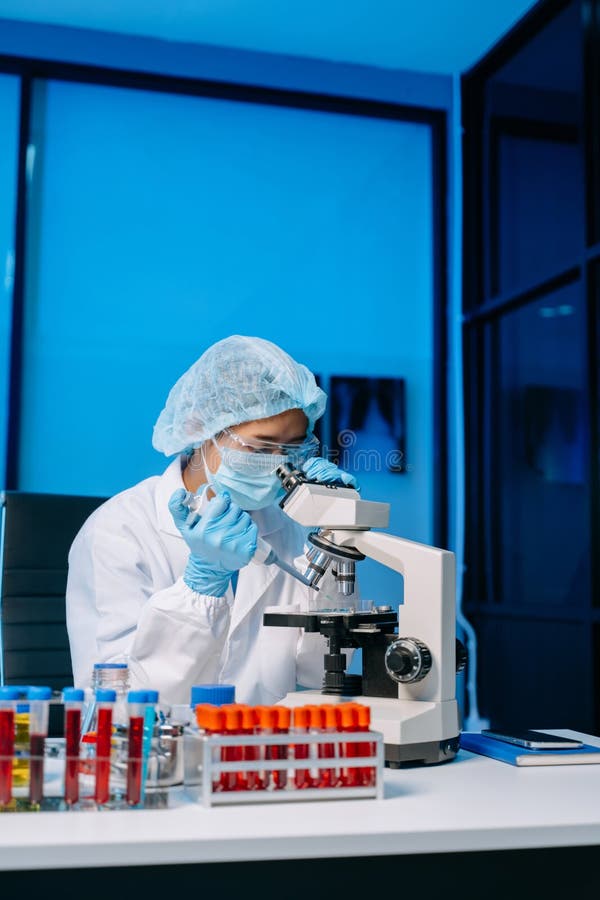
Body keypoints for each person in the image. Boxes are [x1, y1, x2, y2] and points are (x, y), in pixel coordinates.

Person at [66, 335, 358, 707]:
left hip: (262, 739)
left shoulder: (292, 526)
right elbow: (116, 703)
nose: (278, 465)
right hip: (164, 741)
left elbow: (318, 672)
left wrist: (333, 542)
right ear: (200, 429)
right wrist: (200, 587)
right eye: (260, 447)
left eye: (292, 448)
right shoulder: (118, 531)